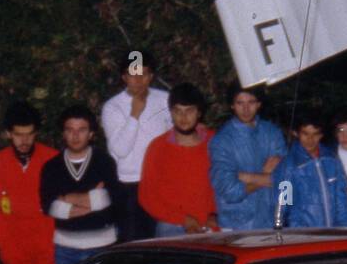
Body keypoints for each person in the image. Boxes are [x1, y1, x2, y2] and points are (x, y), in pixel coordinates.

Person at [100, 49, 170, 241]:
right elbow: (120, 150)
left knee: (166, 242)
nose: (138, 80)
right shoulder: (113, 107)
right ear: (124, 77)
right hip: (130, 186)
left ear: (151, 76)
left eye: (143, 74)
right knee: (136, 243)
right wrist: (134, 114)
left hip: (162, 183)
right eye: (133, 74)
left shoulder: (165, 99)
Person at [0, 101, 58, 264]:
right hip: (15, 245)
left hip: (47, 243)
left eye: (29, 134)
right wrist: (3, 244)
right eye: (19, 134)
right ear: (8, 134)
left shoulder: (53, 159)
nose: (24, 140)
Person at [39, 104, 118, 264]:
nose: (75, 136)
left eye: (81, 130)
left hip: (102, 248)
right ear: (63, 133)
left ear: (91, 134)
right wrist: (92, 200)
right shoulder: (51, 167)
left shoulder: (104, 162)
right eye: (70, 130)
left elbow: (111, 200)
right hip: (65, 250)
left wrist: (67, 199)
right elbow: (49, 207)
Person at [138, 83, 216, 238]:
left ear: (199, 113)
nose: (183, 117)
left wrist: (215, 214)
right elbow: (147, 196)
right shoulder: (158, 147)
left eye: (189, 111)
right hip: (173, 223)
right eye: (177, 111)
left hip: (211, 222)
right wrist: (183, 220)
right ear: (171, 113)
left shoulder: (215, 142)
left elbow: (227, 184)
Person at [209, 83, 285, 230]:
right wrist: (265, 176)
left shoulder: (272, 132)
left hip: (271, 222)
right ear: (232, 105)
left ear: (259, 104)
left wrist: (244, 176)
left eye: (251, 102)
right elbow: (230, 191)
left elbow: (285, 179)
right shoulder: (222, 140)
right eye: (240, 103)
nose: (245, 109)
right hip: (236, 224)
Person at [276, 111, 347, 228]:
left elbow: (342, 202)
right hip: (303, 237)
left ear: (321, 135)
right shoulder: (288, 165)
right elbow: (282, 207)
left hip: (333, 234)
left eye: (315, 134)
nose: (310, 139)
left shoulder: (331, 160)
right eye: (305, 134)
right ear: (296, 133)